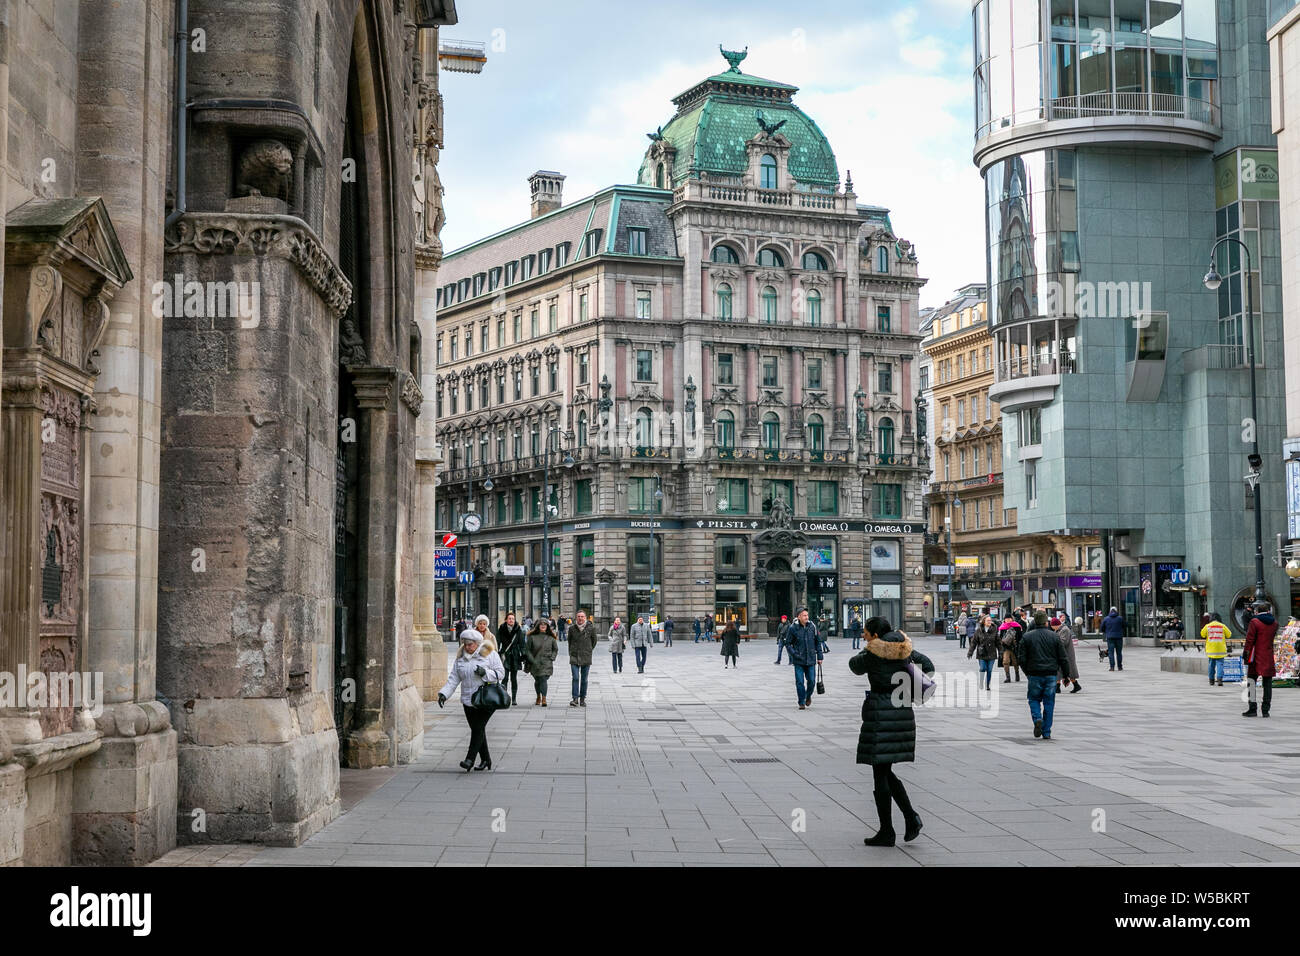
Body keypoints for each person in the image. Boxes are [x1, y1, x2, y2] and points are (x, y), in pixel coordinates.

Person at [849, 616, 934, 847]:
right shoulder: (904, 649)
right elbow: (928, 666)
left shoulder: (871, 653)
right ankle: (909, 819)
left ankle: (889, 830)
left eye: (865, 633)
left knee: (880, 771)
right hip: (902, 711)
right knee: (884, 770)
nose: (863, 636)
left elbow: (853, 666)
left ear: (875, 635)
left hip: (880, 715)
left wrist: (869, 649)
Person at [437, 627, 506, 771]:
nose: (468, 647)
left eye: (470, 644)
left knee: (478, 728)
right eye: (465, 644)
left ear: (477, 643)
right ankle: (486, 759)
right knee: (478, 730)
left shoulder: (490, 654)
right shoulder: (460, 658)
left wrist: (485, 673)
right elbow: (454, 679)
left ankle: (469, 759)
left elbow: (501, 673)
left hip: (486, 699)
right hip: (468, 701)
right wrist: (444, 694)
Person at [1015, 611, 1070, 740]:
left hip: (1034, 673)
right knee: (1049, 703)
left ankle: (1037, 718)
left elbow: (1021, 658)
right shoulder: (1054, 636)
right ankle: (1046, 731)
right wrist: (1066, 676)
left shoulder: (1027, 637)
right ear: (1046, 622)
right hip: (1051, 674)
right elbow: (1063, 658)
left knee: (1033, 699)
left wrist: (1027, 672)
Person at [784, 607, 823, 710]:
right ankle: (801, 702)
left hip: (810, 659)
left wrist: (820, 657)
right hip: (799, 660)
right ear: (799, 617)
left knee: (812, 681)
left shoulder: (812, 627)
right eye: (804, 615)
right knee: (800, 682)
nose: (807, 617)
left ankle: (808, 696)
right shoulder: (793, 628)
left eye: (807, 615)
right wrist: (794, 654)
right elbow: (787, 643)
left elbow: (818, 642)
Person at [1242, 602, 1277, 718]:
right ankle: (1266, 710)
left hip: (1255, 656)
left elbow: (1249, 640)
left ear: (1257, 611)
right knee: (1267, 683)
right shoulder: (1274, 623)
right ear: (1268, 611)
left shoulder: (1254, 622)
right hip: (1268, 655)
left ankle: (1252, 708)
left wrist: (1245, 655)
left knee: (1251, 682)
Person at [524, 619, 558, 706]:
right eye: (541, 624)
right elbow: (527, 650)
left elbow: (555, 649)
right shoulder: (532, 637)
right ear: (538, 626)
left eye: (545, 625)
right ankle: (538, 696)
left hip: (547, 662)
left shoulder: (551, 638)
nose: (543, 626)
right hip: (535, 662)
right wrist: (532, 660)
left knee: (543, 679)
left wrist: (552, 658)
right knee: (538, 680)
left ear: (547, 627)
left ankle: (544, 698)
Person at [567, 610, 597, 707]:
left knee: (584, 679)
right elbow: (569, 642)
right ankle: (575, 699)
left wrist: (588, 650)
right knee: (575, 677)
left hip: (586, 656)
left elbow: (594, 641)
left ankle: (582, 698)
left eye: (582, 616)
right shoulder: (572, 628)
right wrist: (571, 652)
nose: (580, 618)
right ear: (576, 618)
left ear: (586, 618)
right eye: (579, 616)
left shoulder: (591, 628)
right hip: (574, 656)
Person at [496, 612, 526, 706]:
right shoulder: (501, 629)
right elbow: (497, 642)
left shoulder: (518, 630)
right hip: (505, 655)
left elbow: (522, 645)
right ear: (506, 620)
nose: (511, 620)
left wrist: (524, 656)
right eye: (509, 618)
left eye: (513, 619)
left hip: (515, 656)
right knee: (504, 678)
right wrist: (496, 653)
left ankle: (514, 699)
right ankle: (504, 697)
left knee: (514, 678)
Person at [967, 614, 1000, 691]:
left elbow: (998, 642)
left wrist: (1001, 652)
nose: (989, 622)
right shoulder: (978, 630)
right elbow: (974, 642)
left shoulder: (994, 629)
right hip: (982, 653)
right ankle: (981, 682)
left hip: (992, 653)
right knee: (982, 668)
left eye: (990, 620)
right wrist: (970, 652)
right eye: (988, 620)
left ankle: (987, 684)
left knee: (989, 670)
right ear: (984, 622)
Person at [1052, 616, 1081, 694]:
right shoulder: (1058, 630)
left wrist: (1053, 641)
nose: (1052, 628)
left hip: (1067, 654)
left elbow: (1063, 642)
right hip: (1061, 654)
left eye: (1052, 626)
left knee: (1069, 670)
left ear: (1055, 625)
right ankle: (1057, 687)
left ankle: (1076, 685)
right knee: (1058, 670)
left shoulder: (1065, 630)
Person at [1200, 612, 1230, 686]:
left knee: (1211, 665)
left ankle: (1211, 680)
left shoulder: (1207, 626)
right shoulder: (1222, 626)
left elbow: (1202, 634)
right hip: (1220, 649)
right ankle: (1219, 680)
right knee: (1220, 664)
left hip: (1211, 650)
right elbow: (1229, 634)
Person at [1101, 606, 1125, 671]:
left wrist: (1107, 632)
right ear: (1116, 611)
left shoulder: (1106, 619)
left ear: (1110, 611)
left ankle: (1112, 667)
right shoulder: (1120, 618)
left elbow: (1102, 628)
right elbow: (1124, 625)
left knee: (1111, 652)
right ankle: (1120, 667)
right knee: (1119, 652)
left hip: (1110, 637)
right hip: (1119, 637)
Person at [998, 618, 1022, 683]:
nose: (1008, 620)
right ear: (1004, 619)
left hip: (1014, 647)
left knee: (1015, 662)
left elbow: (1020, 637)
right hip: (1006, 647)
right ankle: (1008, 677)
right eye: (1006, 619)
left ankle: (1017, 674)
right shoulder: (1002, 627)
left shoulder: (1017, 626)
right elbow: (999, 637)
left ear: (1012, 619)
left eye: (1009, 618)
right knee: (1005, 661)